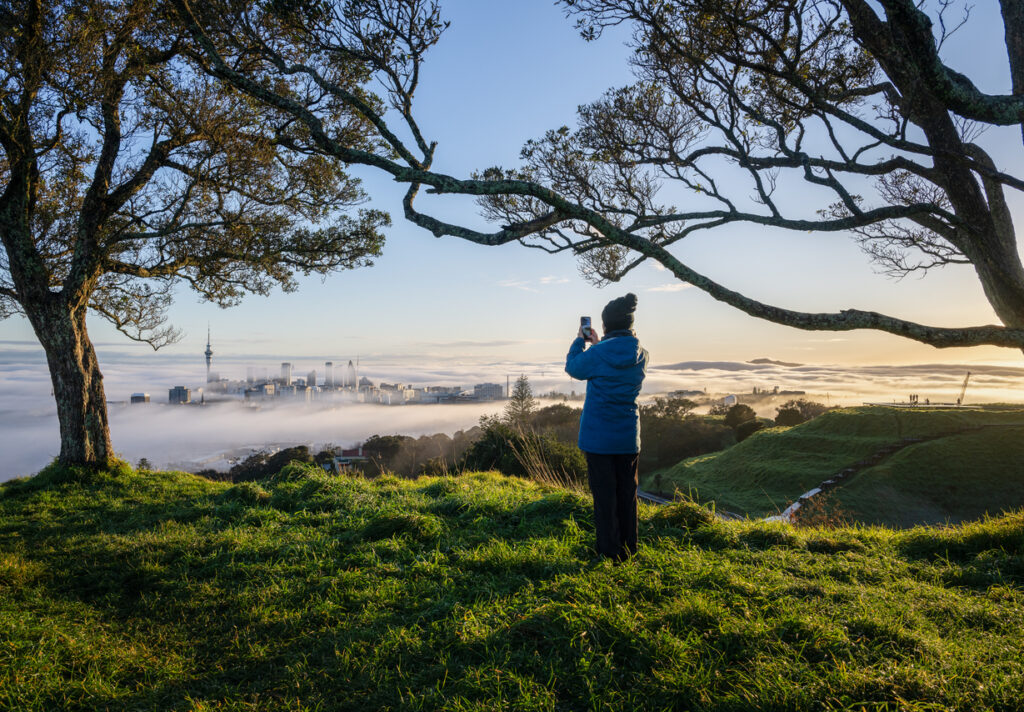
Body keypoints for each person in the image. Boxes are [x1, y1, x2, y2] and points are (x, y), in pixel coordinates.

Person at [565, 293, 648, 562]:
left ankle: (609, 553)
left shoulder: (598, 354)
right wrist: (601, 345)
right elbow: (615, 360)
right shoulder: (642, 355)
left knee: (605, 498)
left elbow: (574, 368)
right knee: (628, 496)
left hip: (599, 440)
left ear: (605, 325)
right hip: (627, 438)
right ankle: (629, 550)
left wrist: (581, 340)